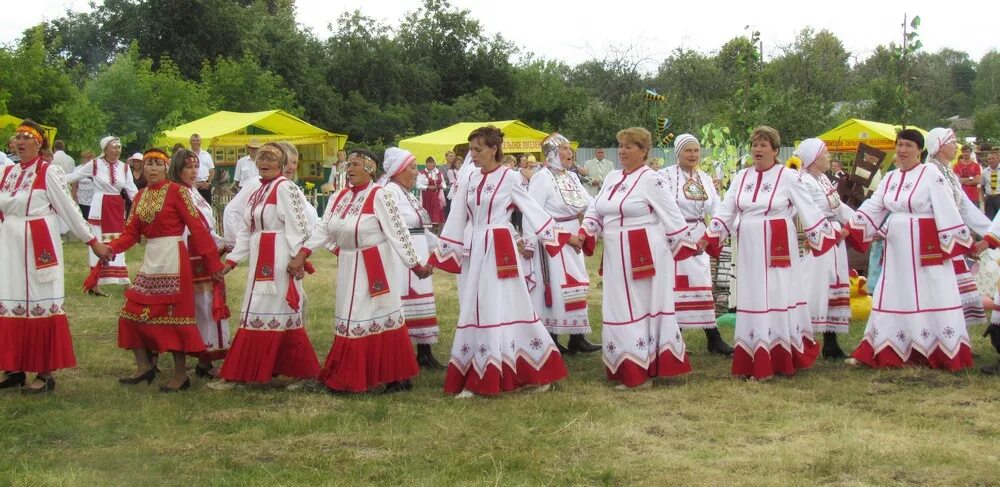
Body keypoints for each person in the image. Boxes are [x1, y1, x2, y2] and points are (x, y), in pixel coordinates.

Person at [429, 125, 568, 397]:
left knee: (505, 304)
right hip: (476, 246)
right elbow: (457, 215)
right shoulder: (469, 179)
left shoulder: (510, 177)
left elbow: (531, 209)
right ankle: (481, 369)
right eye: (471, 150)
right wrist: (440, 255)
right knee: (475, 305)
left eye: (478, 149)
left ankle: (529, 370)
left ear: (494, 149)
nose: (473, 154)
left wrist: (558, 236)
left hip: (499, 246)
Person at [699, 126, 840, 381]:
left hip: (777, 244)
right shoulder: (742, 177)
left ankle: (778, 356)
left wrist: (821, 234)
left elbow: (807, 208)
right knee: (753, 295)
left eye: (764, 145)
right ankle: (754, 354)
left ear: (776, 150)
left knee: (777, 293)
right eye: (754, 145)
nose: (758, 149)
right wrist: (710, 236)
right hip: (749, 244)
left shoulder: (788, 177)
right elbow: (727, 210)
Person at [288, 149, 429, 394]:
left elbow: (398, 232)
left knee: (377, 315)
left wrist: (415, 264)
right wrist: (302, 254)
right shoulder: (340, 196)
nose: (350, 169)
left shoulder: (380, 196)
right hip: (349, 264)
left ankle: (392, 376)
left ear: (370, 169)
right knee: (349, 316)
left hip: (374, 264)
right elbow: (324, 228)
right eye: (349, 164)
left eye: (356, 165)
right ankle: (350, 373)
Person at [565, 128, 698, 389]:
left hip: (644, 251)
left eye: (630, 146)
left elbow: (672, 216)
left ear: (644, 151)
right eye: (621, 146)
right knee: (617, 305)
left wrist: (687, 246)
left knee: (640, 307)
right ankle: (626, 363)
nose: (623, 151)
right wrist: (584, 232)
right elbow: (595, 208)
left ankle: (642, 369)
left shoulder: (653, 180)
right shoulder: (612, 177)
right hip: (615, 250)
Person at [96, 148, 225, 392]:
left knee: (176, 318)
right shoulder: (140, 196)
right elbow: (132, 233)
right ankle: (144, 366)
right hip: (152, 258)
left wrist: (213, 263)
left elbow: (196, 228)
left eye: (158, 164)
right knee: (131, 312)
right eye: (148, 164)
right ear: (142, 168)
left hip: (174, 257)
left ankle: (180, 375)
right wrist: (109, 248)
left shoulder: (177, 192)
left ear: (166, 168)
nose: (153, 168)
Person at [844, 129, 975, 371]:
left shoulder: (931, 173)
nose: (902, 150)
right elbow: (875, 205)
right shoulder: (891, 177)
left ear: (920, 151)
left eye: (909, 146)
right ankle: (887, 347)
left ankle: (938, 349)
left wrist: (954, 242)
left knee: (931, 290)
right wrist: (849, 227)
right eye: (900, 145)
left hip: (927, 244)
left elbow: (945, 207)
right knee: (893, 291)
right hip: (897, 246)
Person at [0, 120, 112, 393]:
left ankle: (44, 373)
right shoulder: (7, 173)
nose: (22, 141)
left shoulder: (49, 171)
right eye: (19, 137)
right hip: (9, 245)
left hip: (39, 243)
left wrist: (93, 241)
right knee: (9, 300)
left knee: (41, 301)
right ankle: (13, 368)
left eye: (29, 138)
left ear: (40, 144)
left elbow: (69, 209)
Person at [210, 142, 321, 390]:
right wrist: (231, 261)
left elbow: (298, 225)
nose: (265, 162)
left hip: (279, 257)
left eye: (271, 158)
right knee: (261, 311)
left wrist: (298, 258)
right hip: (261, 256)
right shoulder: (259, 190)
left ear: (282, 163)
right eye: (261, 157)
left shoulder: (286, 188)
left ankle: (241, 374)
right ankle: (296, 370)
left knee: (270, 311)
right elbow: (248, 230)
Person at [658, 134, 734, 355]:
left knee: (701, 285)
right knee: (675, 287)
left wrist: (717, 231)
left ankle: (712, 336)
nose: (693, 155)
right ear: (678, 153)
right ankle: (675, 337)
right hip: (673, 238)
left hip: (699, 237)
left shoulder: (705, 178)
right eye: (688, 150)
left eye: (696, 151)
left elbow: (717, 208)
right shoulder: (664, 176)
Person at [526, 133, 600, 354]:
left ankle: (577, 337)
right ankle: (552, 337)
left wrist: (589, 227)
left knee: (578, 284)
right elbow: (533, 213)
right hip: (552, 240)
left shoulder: (572, 177)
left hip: (575, 236)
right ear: (552, 154)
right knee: (557, 287)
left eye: (570, 149)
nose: (570, 153)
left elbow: (590, 204)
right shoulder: (542, 177)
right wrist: (532, 243)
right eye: (565, 149)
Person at [167, 149, 231, 378]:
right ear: (177, 169)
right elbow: (197, 227)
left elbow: (206, 226)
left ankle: (205, 358)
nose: (194, 171)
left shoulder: (192, 191)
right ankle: (203, 353)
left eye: (196, 167)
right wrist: (222, 244)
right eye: (188, 167)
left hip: (204, 248)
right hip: (193, 253)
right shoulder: (178, 192)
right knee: (202, 305)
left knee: (206, 303)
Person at [378, 147, 444, 368]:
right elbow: (394, 228)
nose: (418, 173)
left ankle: (424, 353)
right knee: (405, 300)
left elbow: (421, 229)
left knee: (420, 299)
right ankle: (402, 354)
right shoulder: (389, 193)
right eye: (414, 168)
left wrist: (442, 247)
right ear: (398, 170)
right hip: (402, 256)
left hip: (419, 252)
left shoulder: (406, 193)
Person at [793, 138, 855, 359]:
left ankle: (831, 342)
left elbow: (839, 208)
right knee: (814, 288)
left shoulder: (824, 180)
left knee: (833, 285)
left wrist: (861, 222)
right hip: (818, 239)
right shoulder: (804, 182)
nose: (829, 157)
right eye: (825, 154)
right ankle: (801, 338)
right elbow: (806, 212)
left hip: (834, 239)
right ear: (813, 158)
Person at [926, 128, 991, 327]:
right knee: (940, 289)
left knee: (954, 290)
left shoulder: (950, 174)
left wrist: (990, 232)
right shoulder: (930, 171)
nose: (956, 146)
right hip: (934, 239)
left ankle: (954, 335)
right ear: (939, 145)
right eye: (952, 142)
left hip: (951, 236)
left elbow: (965, 208)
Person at [66, 136, 138, 296]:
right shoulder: (95, 164)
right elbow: (73, 177)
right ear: (105, 149)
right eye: (113, 147)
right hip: (99, 208)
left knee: (117, 242)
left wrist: (142, 204)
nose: (117, 150)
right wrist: (50, 178)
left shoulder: (125, 168)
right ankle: (95, 283)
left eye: (119, 147)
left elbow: (131, 190)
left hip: (116, 208)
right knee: (97, 244)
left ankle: (124, 281)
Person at [417, 156, 447, 227]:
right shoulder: (422, 173)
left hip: (437, 197)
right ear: (426, 164)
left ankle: (437, 230)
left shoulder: (438, 173)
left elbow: (443, 183)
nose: (430, 165)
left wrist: (440, 186)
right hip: (427, 196)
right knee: (428, 212)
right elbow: (418, 185)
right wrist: (427, 187)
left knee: (437, 214)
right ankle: (427, 229)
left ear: (434, 164)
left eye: (431, 163)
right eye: (428, 163)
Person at [189, 133, 215, 203]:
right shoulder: (187, 154)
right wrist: (195, 184)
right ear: (190, 142)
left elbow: (212, 171)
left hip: (205, 186)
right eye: (194, 140)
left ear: (200, 142)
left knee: (207, 208)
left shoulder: (206, 155)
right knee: (194, 208)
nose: (196, 142)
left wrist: (208, 182)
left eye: (197, 140)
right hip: (192, 186)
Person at [72, 150, 96, 217]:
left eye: (90, 158)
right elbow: (74, 185)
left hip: (93, 200)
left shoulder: (96, 169)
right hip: (80, 199)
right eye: (86, 158)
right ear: (83, 159)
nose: (88, 160)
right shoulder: (78, 169)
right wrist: (75, 197)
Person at [984, 150, 1000, 220]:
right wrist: (983, 199)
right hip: (989, 198)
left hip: (999, 196)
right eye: (989, 159)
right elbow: (982, 186)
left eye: (993, 158)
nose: (991, 160)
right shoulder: (984, 172)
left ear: (998, 158)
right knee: (990, 220)